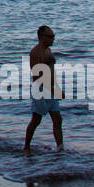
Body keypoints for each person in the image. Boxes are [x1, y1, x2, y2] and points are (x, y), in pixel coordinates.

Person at [24, 24, 63, 152]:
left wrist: (55, 87)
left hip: (50, 88)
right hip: (41, 90)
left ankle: (60, 148)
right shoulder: (36, 53)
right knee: (36, 120)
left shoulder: (48, 50)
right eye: (50, 36)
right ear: (41, 37)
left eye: (54, 36)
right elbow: (37, 77)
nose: (53, 39)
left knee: (57, 119)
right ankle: (26, 147)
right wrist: (52, 90)